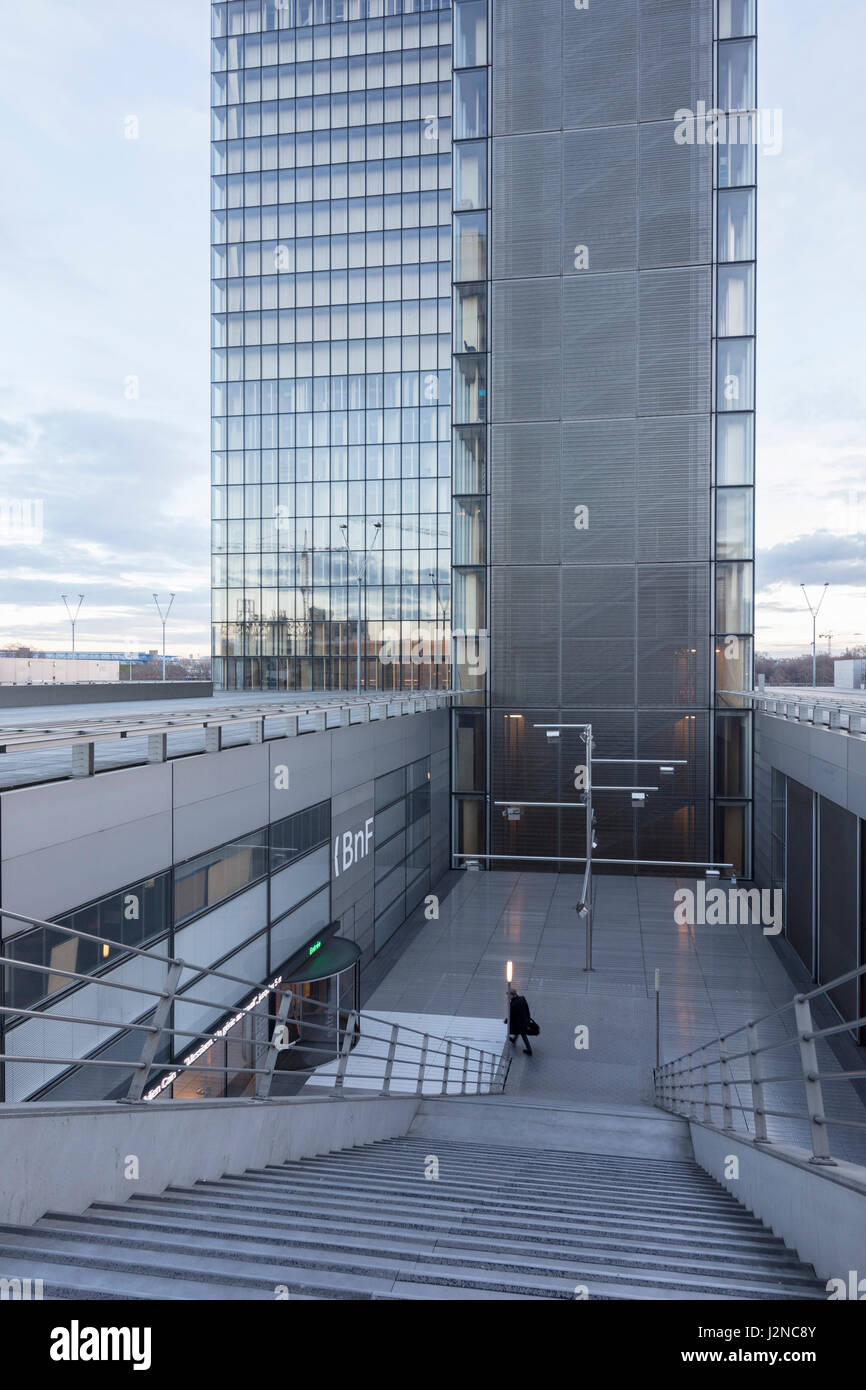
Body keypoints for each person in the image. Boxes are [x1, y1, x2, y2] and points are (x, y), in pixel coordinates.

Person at [507, 987, 533, 1055]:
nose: (508, 997)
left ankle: (529, 1050)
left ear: (513, 995)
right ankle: (514, 1039)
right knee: (519, 1031)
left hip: (520, 1022)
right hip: (525, 1019)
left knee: (523, 1035)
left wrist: (507, 1020)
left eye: (509, 995)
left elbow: (511, 1015)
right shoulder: (522, 998)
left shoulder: (513, 1004)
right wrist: (528, 1017)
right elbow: (527, 1008)